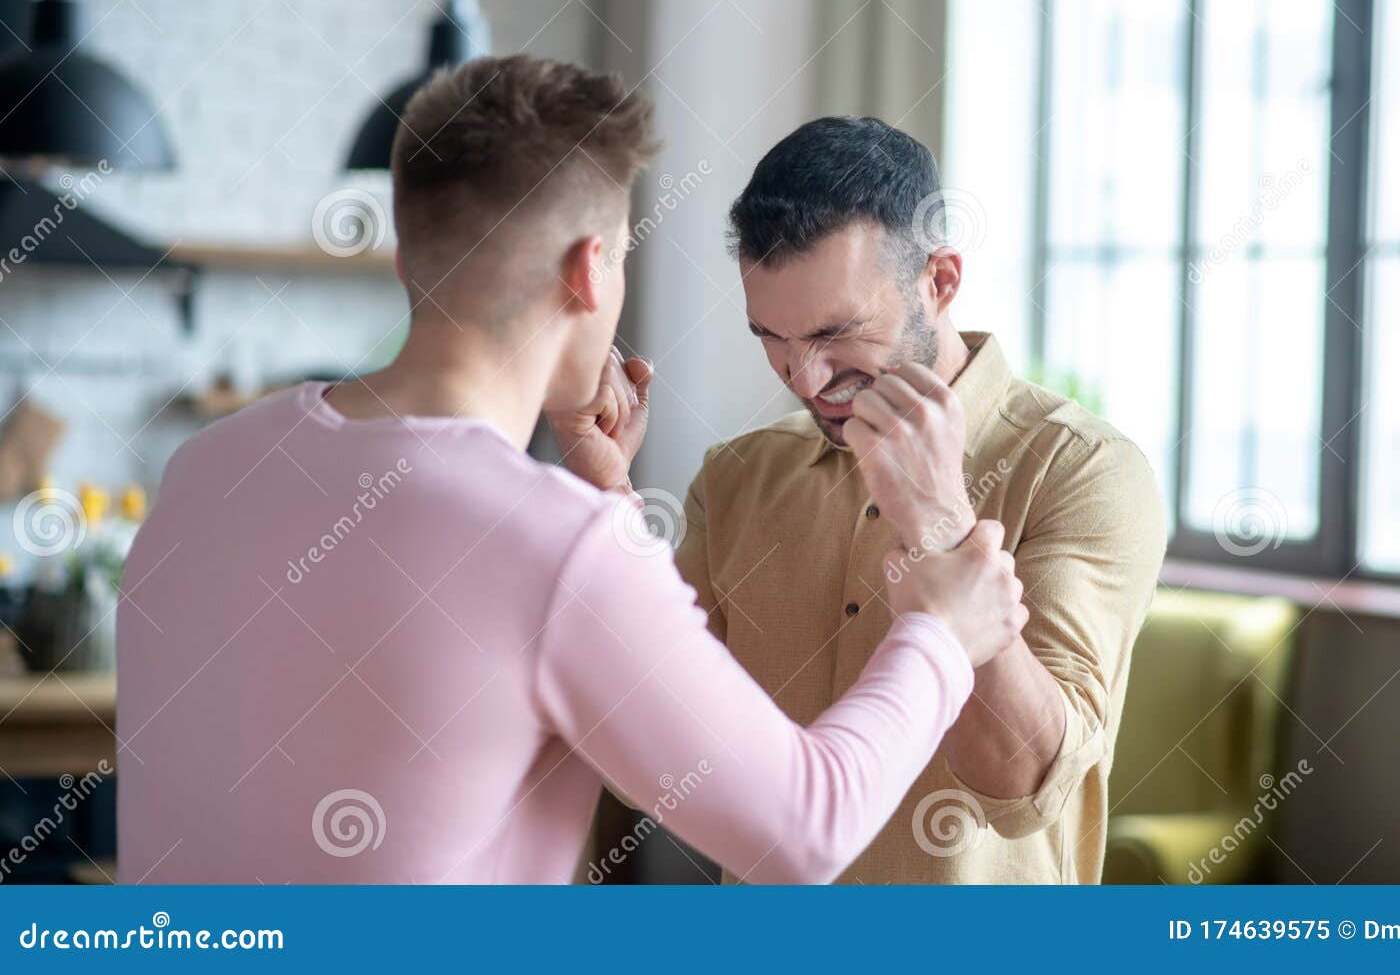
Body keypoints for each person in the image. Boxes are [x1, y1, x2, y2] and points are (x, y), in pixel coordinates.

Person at [115, 60, 1026, 885]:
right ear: (591, 271)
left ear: (408, 259)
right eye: (624, 256)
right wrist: (943, 630)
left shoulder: (209, 466)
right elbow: (807, 831)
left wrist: (603, 506)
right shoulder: (558, 548)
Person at [558, 116, 1166, 883]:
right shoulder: (738, 477)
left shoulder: (1084, 472)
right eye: (770, 338)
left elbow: (1026, 790)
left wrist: (942, 525)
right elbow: (639, 753)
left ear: (940, 281)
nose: (804, 379)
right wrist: (607, 492)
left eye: (835, 333)